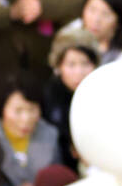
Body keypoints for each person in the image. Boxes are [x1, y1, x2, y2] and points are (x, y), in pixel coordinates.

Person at [0, 77, 62, 186]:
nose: (26, 118)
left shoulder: (50, 135)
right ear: (3, 109)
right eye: (18, 111)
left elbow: (57, 177)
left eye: (32, 109)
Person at [42, 29, 100, 162]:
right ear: (59, 66)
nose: (78, 72)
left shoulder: (101, 90)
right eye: (71, 65)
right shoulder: (50, 94)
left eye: (85, 64)